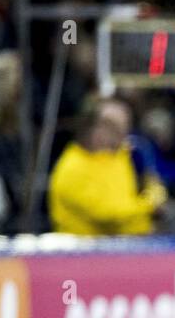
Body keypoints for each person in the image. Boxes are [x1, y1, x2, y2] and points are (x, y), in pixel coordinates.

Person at [48, 98, 168, 236]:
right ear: (95, 129)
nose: (124, 135)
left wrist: (156, 191)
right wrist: (150, 204)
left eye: (126, 127)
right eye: (116, 128)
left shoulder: (117, 155)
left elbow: (148, 183)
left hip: (131, 241)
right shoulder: (72, 168)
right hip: (86, 250)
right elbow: (107, 215)